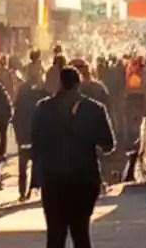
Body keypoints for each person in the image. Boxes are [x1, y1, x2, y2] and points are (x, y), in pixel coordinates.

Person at [31, 66, 116, 248]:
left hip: (53, 178)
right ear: (79, 84)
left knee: (55, 234)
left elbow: (36, 144)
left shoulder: (43, 108)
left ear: (59, 83)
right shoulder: (95, 109)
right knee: (81, 232)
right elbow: (109, 145)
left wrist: (37, 176)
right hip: (84, 178)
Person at [12, 63, 50, 201]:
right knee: (35, 162)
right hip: (34, 133)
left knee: (25, 164)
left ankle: (25, 192)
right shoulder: (42, 92)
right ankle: (30, 190)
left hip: (27, 134)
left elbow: (16, 114)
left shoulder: (25, 92)